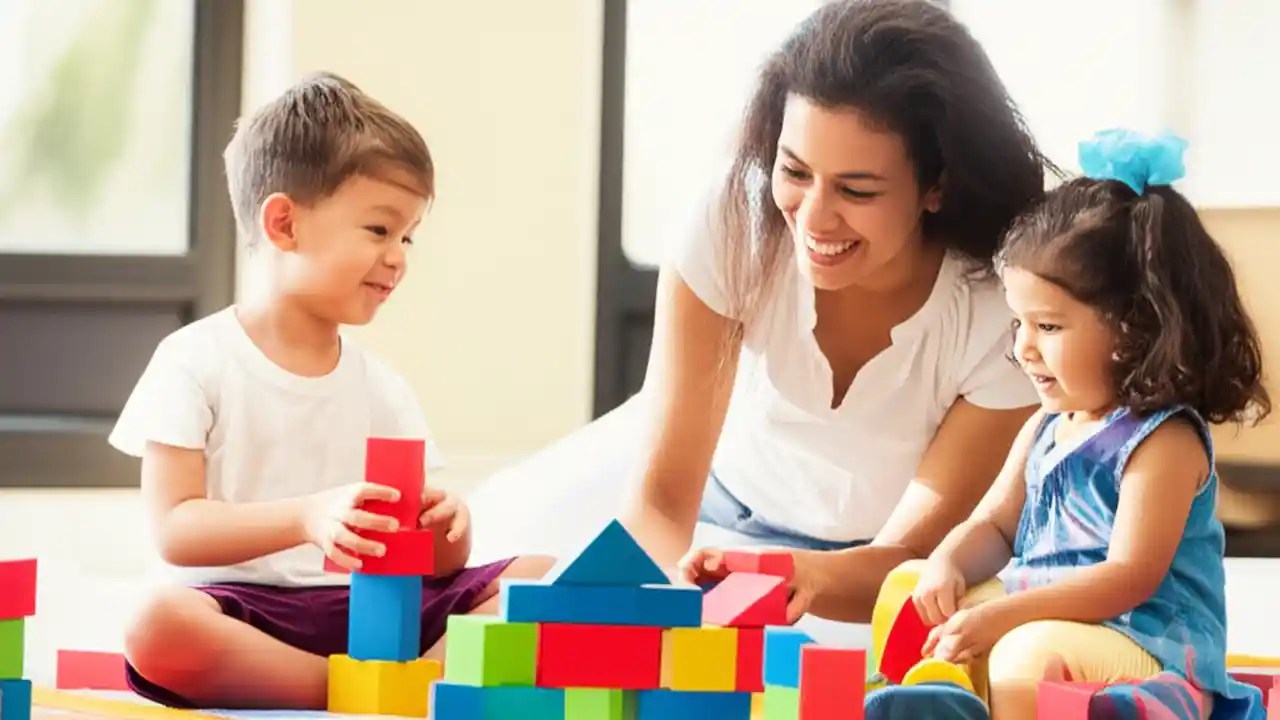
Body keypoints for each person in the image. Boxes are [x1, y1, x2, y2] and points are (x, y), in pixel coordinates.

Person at [108, 72, 551, 710]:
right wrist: (306, 518)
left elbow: (428, 562)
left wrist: (451, 529)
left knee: (543, 580)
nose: (399, 256)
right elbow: (176, 528)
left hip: (371, 611)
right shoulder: (194, 360)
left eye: (408, 236)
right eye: (379, 230)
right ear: (285, 224)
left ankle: (408, 680)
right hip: (244, 611)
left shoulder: (385, 389)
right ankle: (357, 693)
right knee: (155, 626)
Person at [635, 0, 1051, 622]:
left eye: (857, 190)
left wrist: (799, 575)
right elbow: (663, 507)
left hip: (883, 581)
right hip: (721, 524)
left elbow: (912, 558)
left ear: (936, 186)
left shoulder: (1003, 308)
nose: (815, 216)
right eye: (794, 171)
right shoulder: (733, 224)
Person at [910, 129, 1270, 719]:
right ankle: (940, 702)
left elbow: (1128, 577)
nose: (1024, 348)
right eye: (1018, 324)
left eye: (1048, 327)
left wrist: (1003, 613)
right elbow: (995, 528)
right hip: (1053, 623)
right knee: (914, 590)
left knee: (1021, 654)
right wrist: (947, 562)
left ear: (1135, 328)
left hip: (1149, 647)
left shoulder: (1161, 443)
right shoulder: (1047, 428)